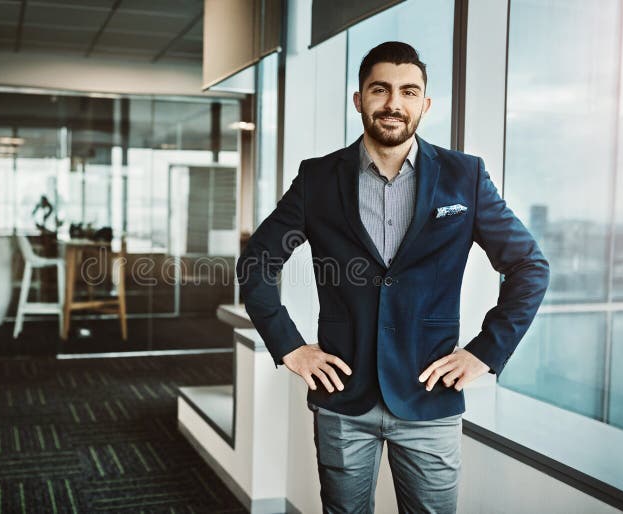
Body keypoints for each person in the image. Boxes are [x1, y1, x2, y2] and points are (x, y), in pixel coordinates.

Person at [235, 41, 549, 513]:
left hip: (430, 397)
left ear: (425, 104)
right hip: (343, 398)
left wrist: (486, 352)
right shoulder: (318, 179)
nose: (393, 104)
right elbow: (257, 263)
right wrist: (291, 348)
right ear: (359, 99)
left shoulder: (465, 177)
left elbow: (529, 267)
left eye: (408, 91)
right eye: (380, 89)